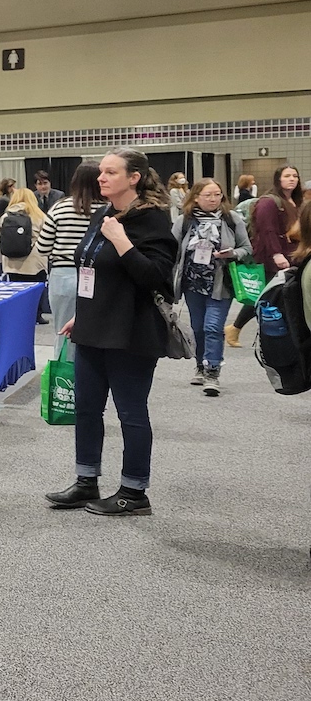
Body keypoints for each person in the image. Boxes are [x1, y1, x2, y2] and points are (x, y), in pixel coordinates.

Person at [45, 149, 176, 517]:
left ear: (133, 177)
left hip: (132, 333)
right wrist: (82, 316)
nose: (101, 178)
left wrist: (121, 240)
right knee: (86, 409)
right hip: (92, 329)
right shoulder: (104, 213)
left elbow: (157, 279)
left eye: (110, 172)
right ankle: (86, 481)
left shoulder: (153, 221)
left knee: (131, 413)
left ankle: (135, 491)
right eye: (101, 172)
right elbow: (90, 269)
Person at [172, 178, 252, 396]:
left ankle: (212, 372)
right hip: (192, 283)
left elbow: (247, 247)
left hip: (221, 283)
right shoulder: (184, 221)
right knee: (198, 328)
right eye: (208, 195)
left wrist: (233, 253)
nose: (213, 199)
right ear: (196, 197)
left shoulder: (231, 219)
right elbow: (171, 250)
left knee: (213, 327)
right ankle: (200, 364)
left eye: (217, 194)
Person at [230, 166, 303, 347]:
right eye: (287, 176)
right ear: (278, 179)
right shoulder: (269, 202)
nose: (292, 179)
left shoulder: (295, 201)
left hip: (293, 255)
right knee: (268, 295)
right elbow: (267, 230)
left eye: (295, 176)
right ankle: (237, 328)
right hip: (274, 258)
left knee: (273, 295)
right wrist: (276, 254)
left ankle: (236, 328)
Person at [37, 161, 106, 344]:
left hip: (63, 275)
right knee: (99, 332)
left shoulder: (60, 208)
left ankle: (64, 373)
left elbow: (42, 247)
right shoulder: (109, 209)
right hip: (101, 275)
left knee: (63, 334)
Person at [0, 188, 50, 321]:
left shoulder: (5, 217)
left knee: (17, 291)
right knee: (36, 291)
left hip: (12, 263)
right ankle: (36, 315)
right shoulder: (40, 216)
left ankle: (19, 314)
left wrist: (2, 259)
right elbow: (48, 239)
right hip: (35, 263)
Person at [225, 174, 261, 343]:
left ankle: (235, 328)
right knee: (259, 293)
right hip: (261, 254)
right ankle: (235, 327)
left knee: (262, 294)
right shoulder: (249, 200)